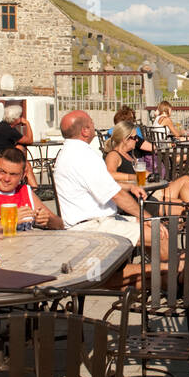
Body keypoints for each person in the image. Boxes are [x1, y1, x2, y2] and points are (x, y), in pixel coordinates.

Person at [54, 110, 168, 284]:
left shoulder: (70, 153)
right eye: (91, 123)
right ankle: (175, 275)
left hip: (95, 221)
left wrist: (129, 186)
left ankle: (169, 277)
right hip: (92, 226)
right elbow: (115, 195)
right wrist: (147, 217)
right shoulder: (83, 156)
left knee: (154, 231)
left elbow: (100, 184)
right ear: (85, 131)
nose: (94, 126)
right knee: (157, 232)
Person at [0, 147, 60, 238]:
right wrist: (5, 223)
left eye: (13, 174)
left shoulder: (25, 192)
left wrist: (47, 220)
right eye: (2, 172)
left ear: (23, 175)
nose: (6, 178)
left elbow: (60, 224)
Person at [103, 121, 189, 211]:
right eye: (135, 137)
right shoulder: (113, 155)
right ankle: (186, 222)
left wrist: (150, 175)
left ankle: (184, 222)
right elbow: (109, 174)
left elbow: (141, 173)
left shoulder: (129, 155)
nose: (137, 140)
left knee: (186, 180)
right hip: (139, 198)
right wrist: (135, 177)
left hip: (148, 190)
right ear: (125, 139)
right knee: (187, 207)